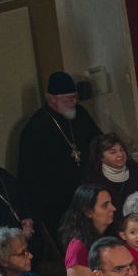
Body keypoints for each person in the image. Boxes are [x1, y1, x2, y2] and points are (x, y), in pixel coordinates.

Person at [19, 71, 102, 238]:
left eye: (75, 97)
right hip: (57, 201)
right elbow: (31, 177)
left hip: (87, 191)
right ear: (53, 98)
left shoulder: (80, 113)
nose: (74, 101)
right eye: (69, 98)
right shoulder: (35, 128)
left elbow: (99, 140)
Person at [0, 127, 40, 257]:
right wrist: (18, 231)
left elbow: (25, 200)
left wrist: (29, 220)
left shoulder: (3, 175)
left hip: (23, 239)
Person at [60, 183, 116, 276]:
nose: (113, 208)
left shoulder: (109, 237)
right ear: (88, 212)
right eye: (105, 205)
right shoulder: (78, 249)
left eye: (111, 203)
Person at [80, 133, 138, 215]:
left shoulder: (137, 173)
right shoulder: (92, 181)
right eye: (113, 152)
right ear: (100, 157)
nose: (120, 155)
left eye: (122, 150)